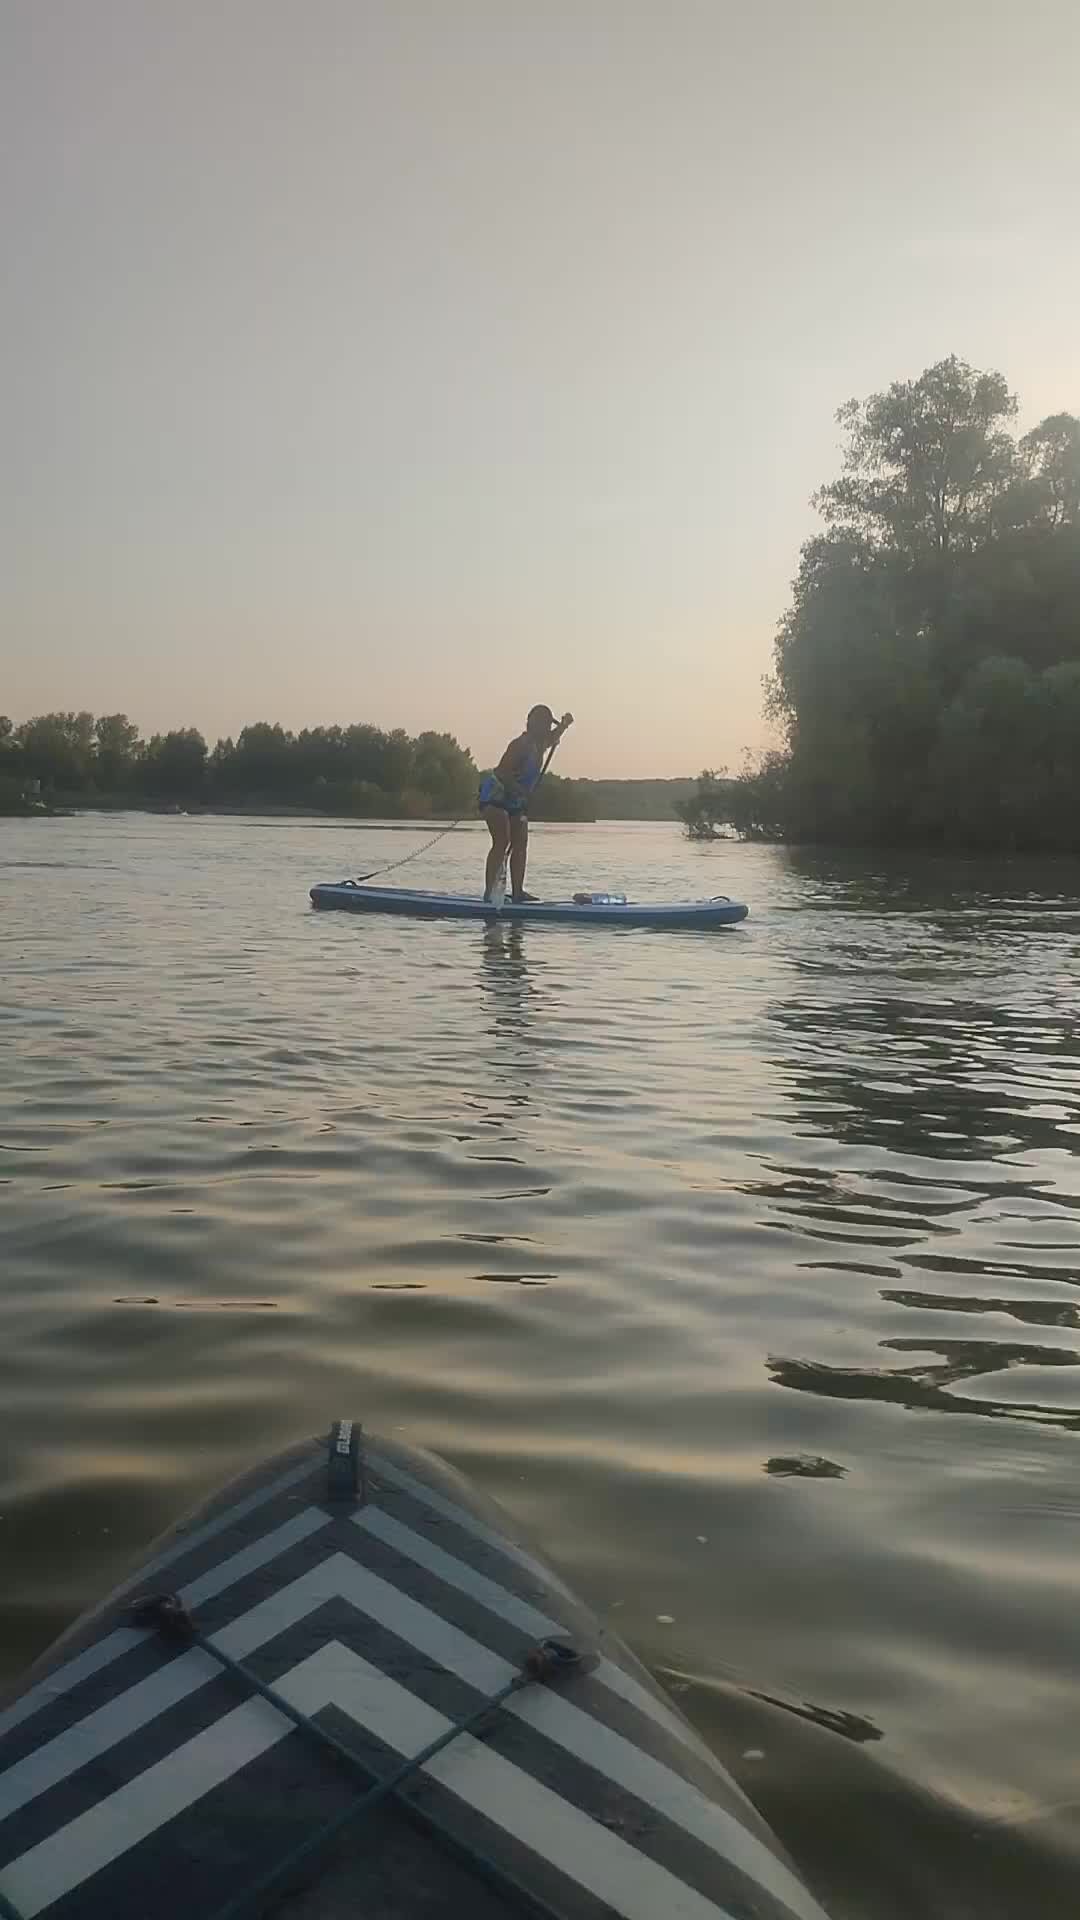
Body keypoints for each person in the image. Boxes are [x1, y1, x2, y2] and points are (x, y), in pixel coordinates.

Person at [478, 705, 573, 902]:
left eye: (548, 725)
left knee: (520, 843)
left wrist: (564, 725)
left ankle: (518, 893)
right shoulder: (520, 744)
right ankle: (490, 893)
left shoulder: (542, 743)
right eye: (542, 724)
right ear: (531, 723)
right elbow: (503, 772)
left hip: (516, 800)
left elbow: (554, 737)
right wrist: (521, 791)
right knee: (502, 841)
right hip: (496, 795)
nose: (546, 729)